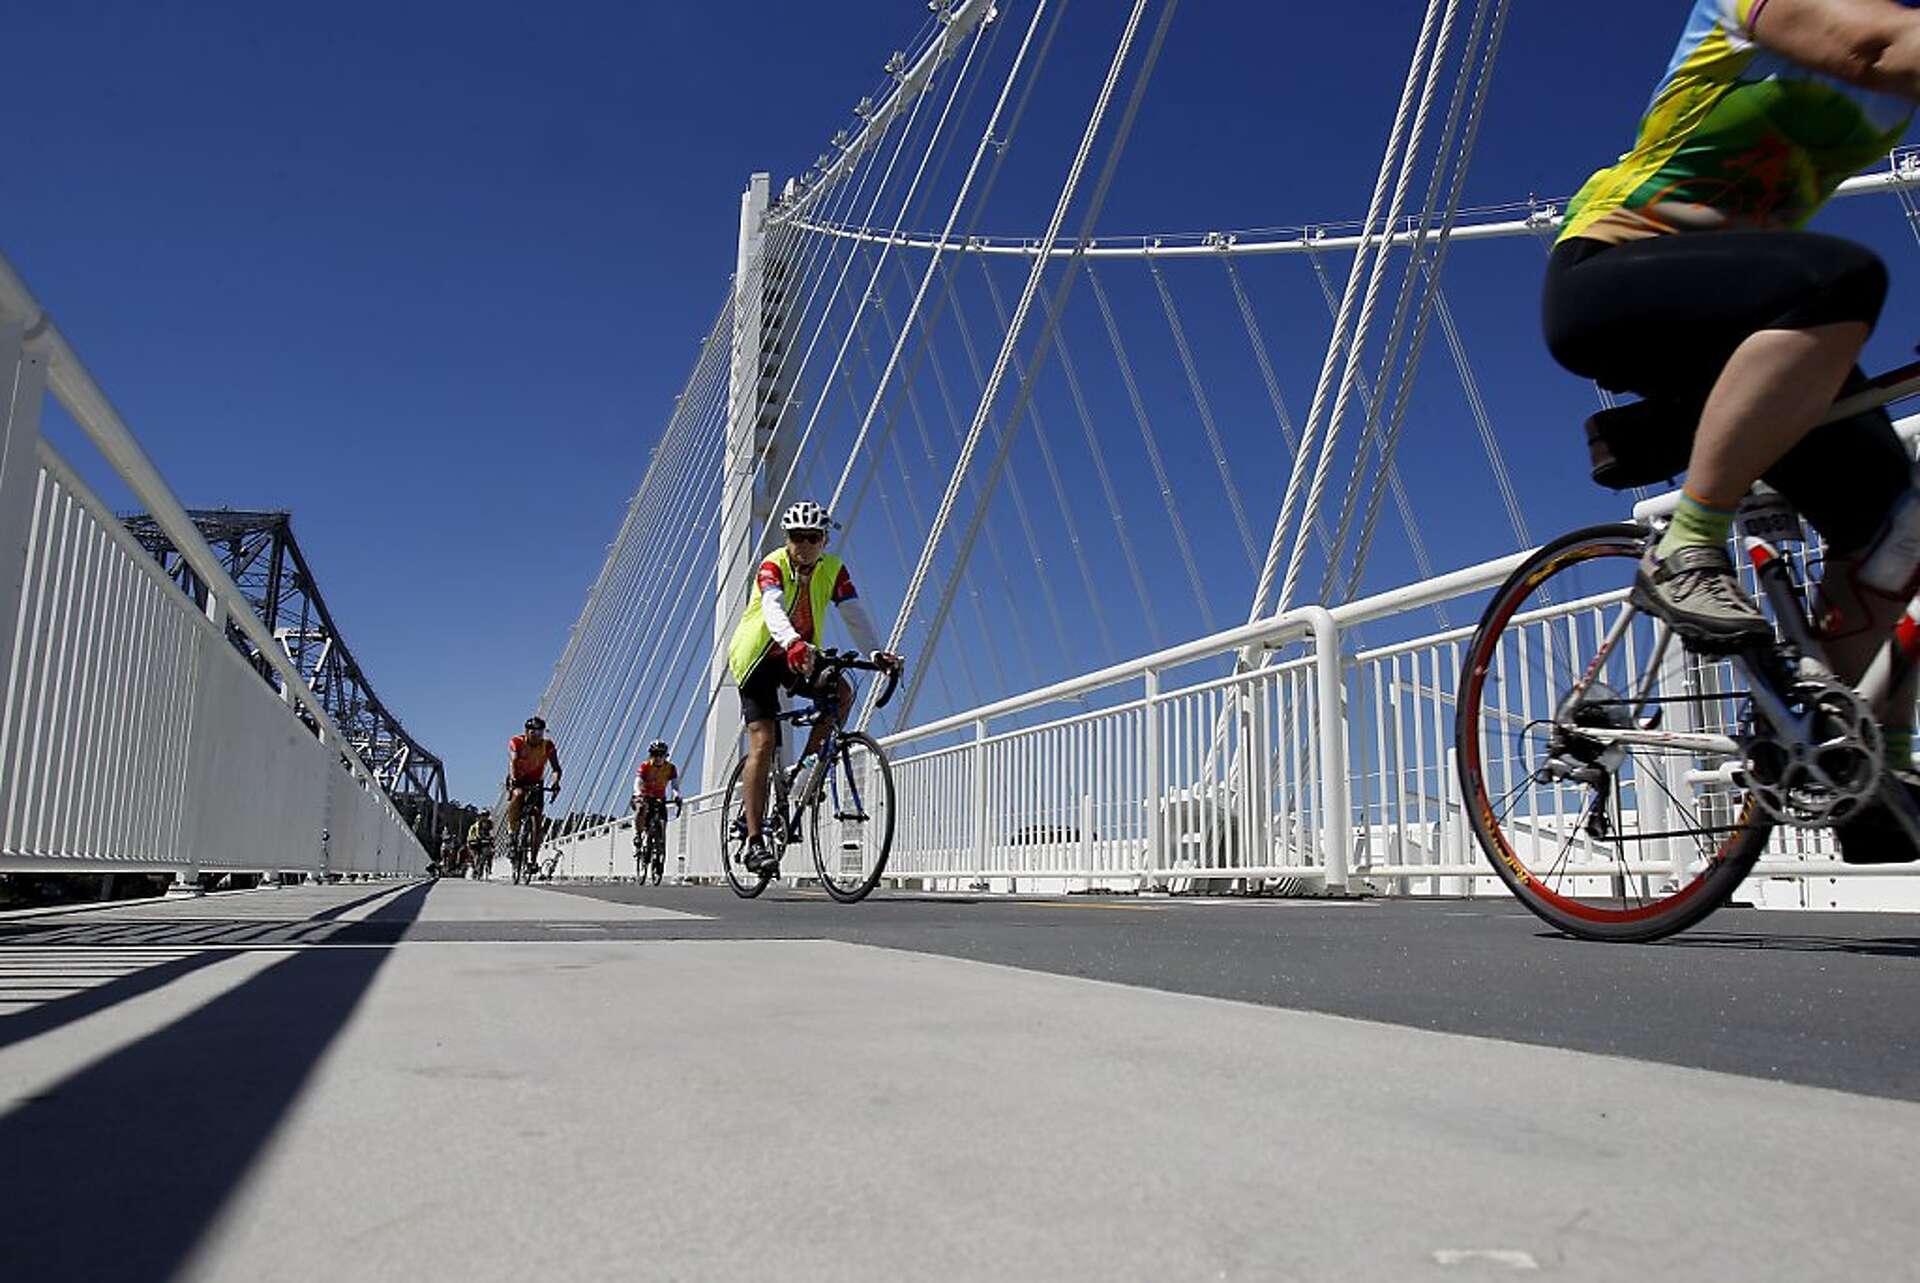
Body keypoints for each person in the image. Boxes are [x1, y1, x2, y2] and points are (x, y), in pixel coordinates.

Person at [1542, 0, 1920, 860]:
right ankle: (1690, 544)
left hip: (1756, 330)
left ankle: (1864, 765)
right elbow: (1874, 44)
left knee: (1896, 526)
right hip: (1612, 273)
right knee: (1841, 280)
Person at [727, 501, 901, 875]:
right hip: (758, 655)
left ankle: (802, 775)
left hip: (801, 653)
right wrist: (790, 641)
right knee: (763, 739)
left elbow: (853, 613)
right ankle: (755, 843)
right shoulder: (773, 564)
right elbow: (772, 607)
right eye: (796, 537)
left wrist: (876, 652)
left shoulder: (834, 569)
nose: (803, 545)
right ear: (786, 539)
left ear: (824, 540)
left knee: (842, 693)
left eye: (813, 537)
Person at [505, 716, 563, 864]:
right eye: (533, 732)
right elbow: (513, 761)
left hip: (536, 781)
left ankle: (533, 861)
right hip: (518, 778)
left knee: (537, 819)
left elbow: (556, 768)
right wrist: (513, 779)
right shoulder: (517, 742)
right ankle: (512, 832)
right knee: (518, 795)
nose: (537, 736)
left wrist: (556, 783)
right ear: (526, 732)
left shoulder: (547, 745)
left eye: (540, 732)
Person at [631, 740, 685, 873]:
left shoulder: (670, 768)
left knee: (662, 826)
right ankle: (638, 835)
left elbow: (675, 785)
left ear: (666, 755)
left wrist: (677, 795)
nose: (658, 757)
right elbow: (638, 782)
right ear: (651, 755)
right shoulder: (645, 766)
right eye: (655, 754)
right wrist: (638, 794)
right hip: (644, 797)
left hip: (660, 798)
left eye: (661, 754)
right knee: (641, 808)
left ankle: (659, 850)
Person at [466, 811, 495, 879]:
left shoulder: (490, 823)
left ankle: (489, 868)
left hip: (485, 840)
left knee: (490, 852)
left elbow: (492, 831)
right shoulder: (477, 824)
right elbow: (477, 833)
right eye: (484, 815)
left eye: (486, 815)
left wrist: (492, 837)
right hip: (476, 840)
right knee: (478, 855)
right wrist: (479, 837)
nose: (485, 817)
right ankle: (476, 869)